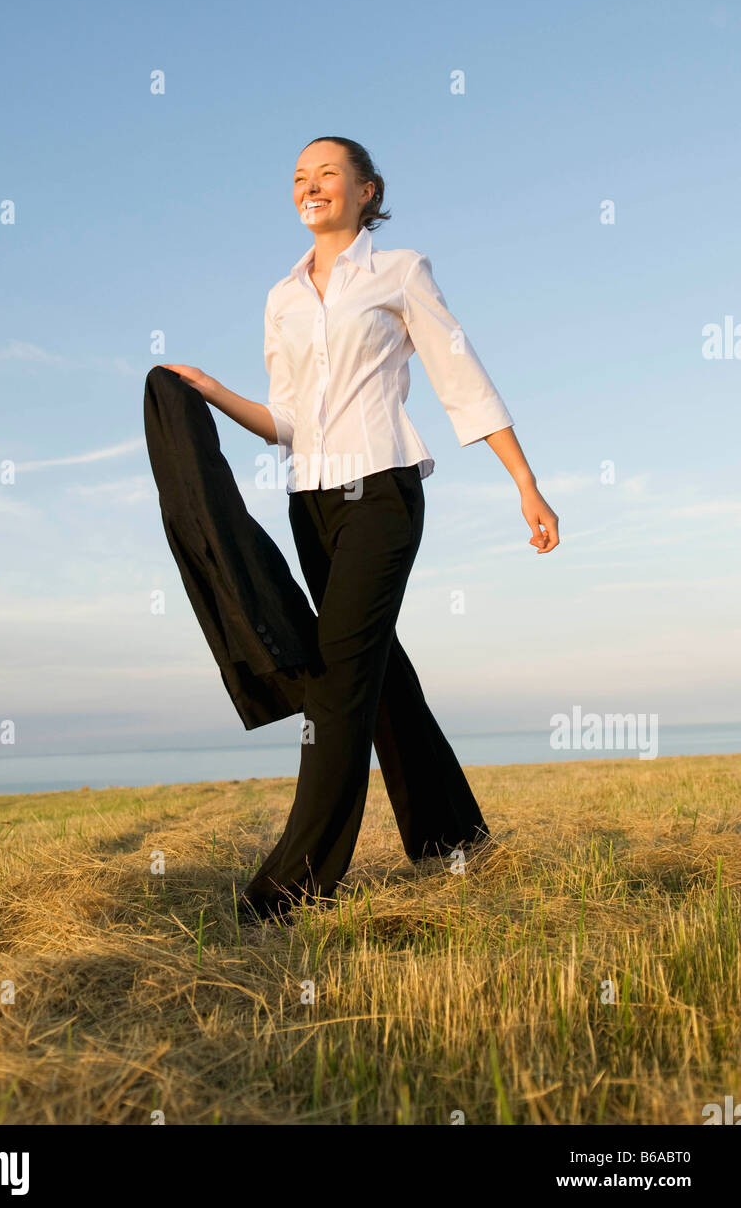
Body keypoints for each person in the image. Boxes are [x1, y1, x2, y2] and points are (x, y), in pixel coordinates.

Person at [160, 136, 559, 921]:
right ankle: (454, 843)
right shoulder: (280, 295)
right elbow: (284, 419)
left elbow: (460, 376)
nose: (311, 187)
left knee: (339, 683)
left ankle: (293, 885)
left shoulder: (399, 270)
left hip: (381, 491)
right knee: (379, 679)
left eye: (327, 175)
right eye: (299, 178)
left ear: (366, 191)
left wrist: (526, 483)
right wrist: (209, 391)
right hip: (309, 501)